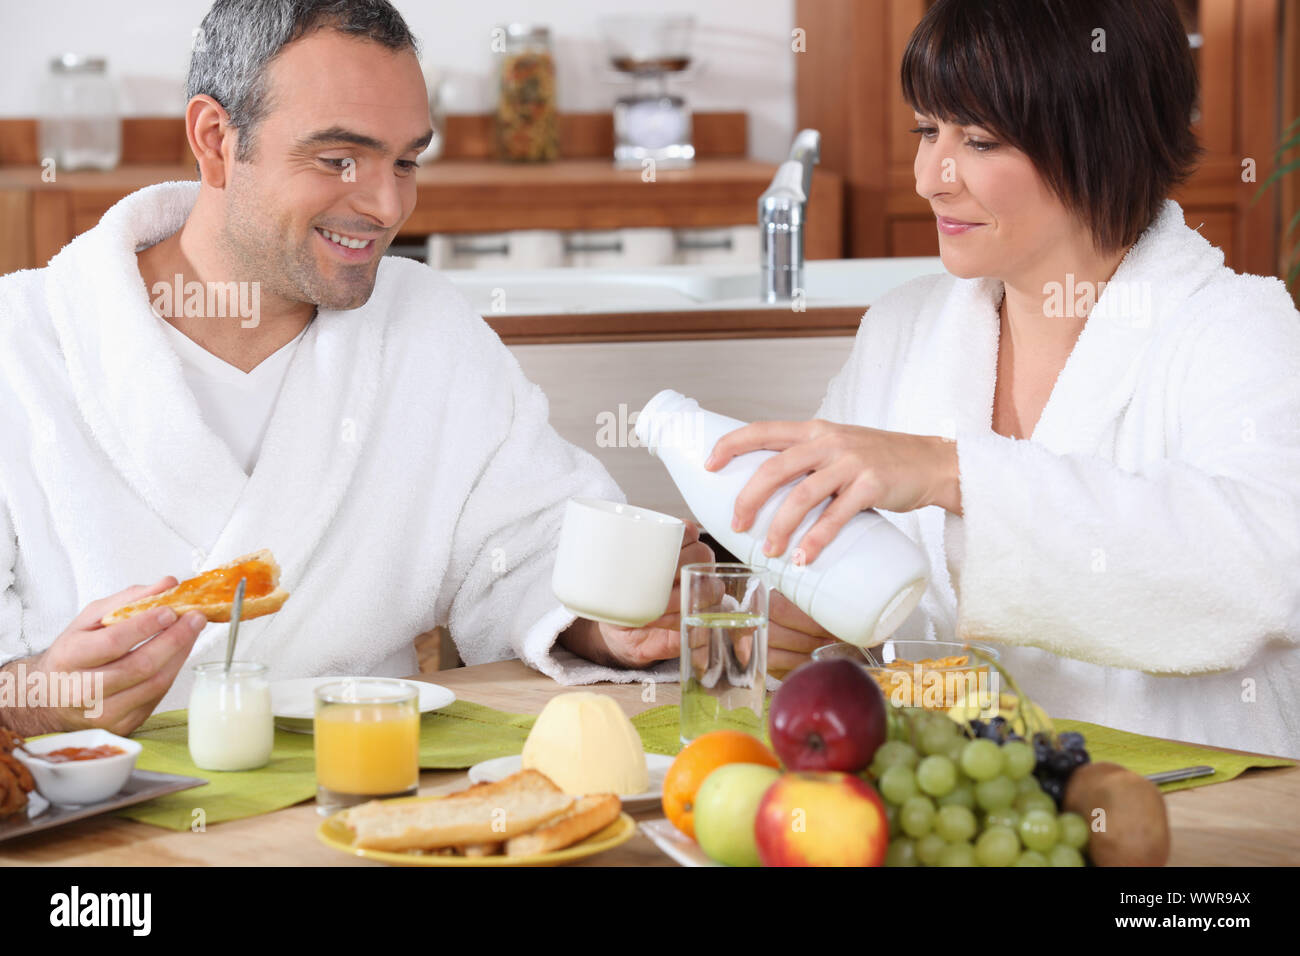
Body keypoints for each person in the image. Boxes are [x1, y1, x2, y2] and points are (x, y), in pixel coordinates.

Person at [0, 0, 828, 736]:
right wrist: (37, 697)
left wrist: (604, 621)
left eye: (405, 161)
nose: (387, 207)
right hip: (92, 825)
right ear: (217, 141)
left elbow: (526, 544)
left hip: (368, 804)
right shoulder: (22, 345)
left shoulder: (428, 328)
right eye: (338, 160)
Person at [706, 0, 1300, 757]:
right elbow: (836, 604)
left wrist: (953, 475)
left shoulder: (1236, 331)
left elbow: (1262, 575)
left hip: (1193, 822)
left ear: (1100, 137)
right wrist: (791, 621)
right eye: (927, 131)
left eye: (979, 140)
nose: (929, 178)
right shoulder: (904, 332)